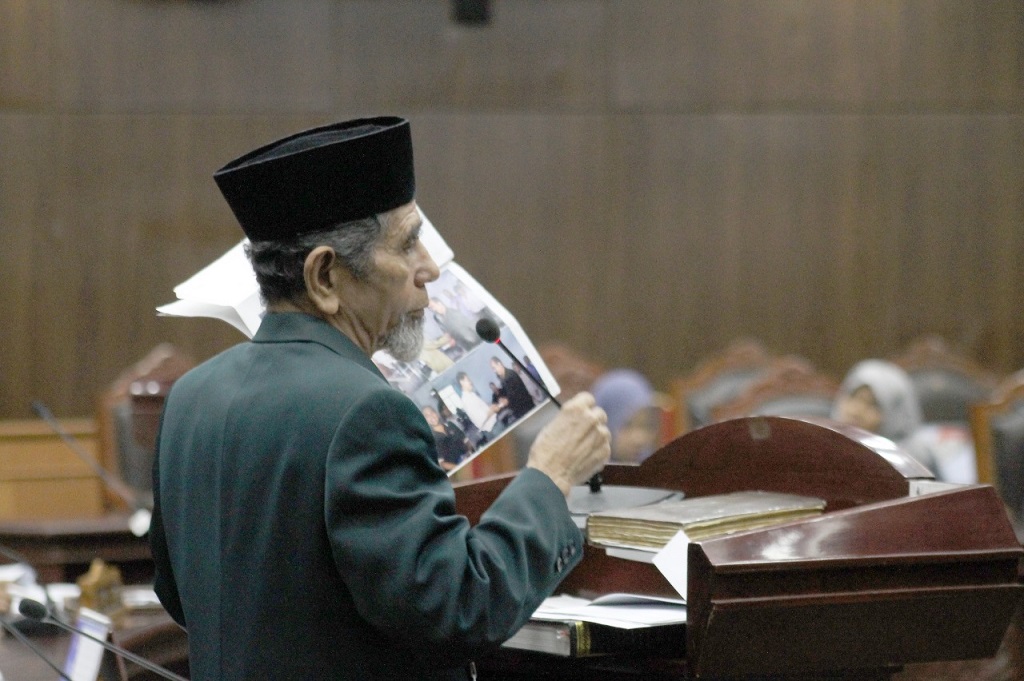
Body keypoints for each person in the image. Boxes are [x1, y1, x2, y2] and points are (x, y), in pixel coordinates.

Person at [149, 117, 610, 681]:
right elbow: (460, 606)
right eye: (409, 242)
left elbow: (179, 596)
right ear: (324, 276)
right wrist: (549, 475)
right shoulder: (367, 411)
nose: (431, 269)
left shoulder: (193, 396)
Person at [591, 368, 663, 464]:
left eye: (646, 426)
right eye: (627, 425)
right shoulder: (583, 474)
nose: (639, 439)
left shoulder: (654, 471)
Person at [422, 404, 472, 471]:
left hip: (470, 459)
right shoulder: (431, 440)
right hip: (457, 470)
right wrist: (461, 467)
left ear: (436, 413)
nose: (431, 416)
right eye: (427, 416)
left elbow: (466, 441)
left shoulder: (450, 425)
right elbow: (442, 463)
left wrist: (470, 453)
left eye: (432, 413)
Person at [490, 356, 536, 420]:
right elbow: (509, 395)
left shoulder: (510, 375)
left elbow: (517, 395)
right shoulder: (503, 379)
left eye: (494, 368)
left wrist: (504, 402)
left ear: (499, 364)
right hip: (519, 411)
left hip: (526, 409)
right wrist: (503, 400)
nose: (494, 371)